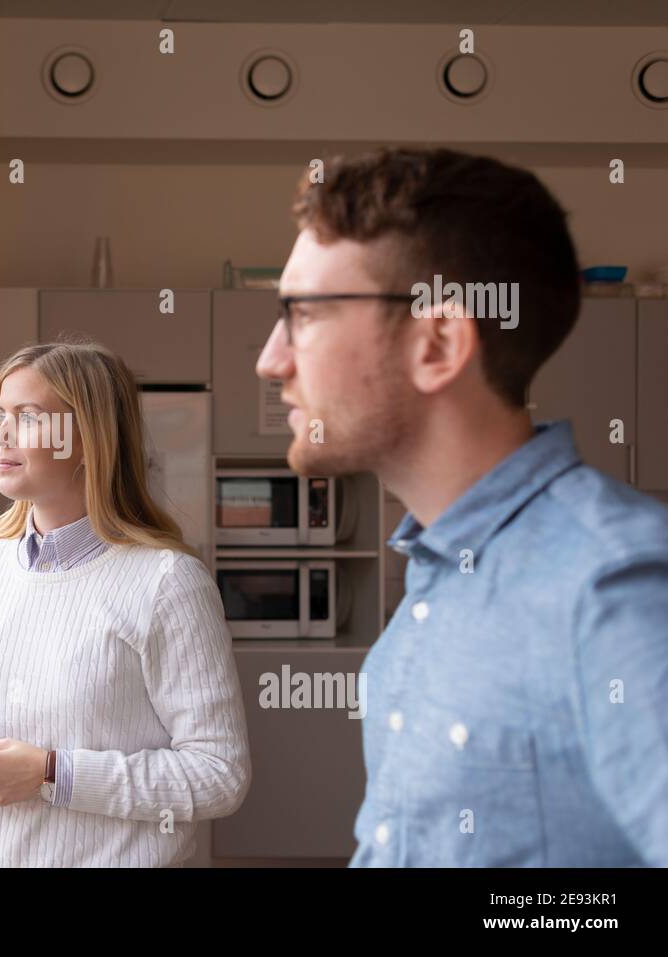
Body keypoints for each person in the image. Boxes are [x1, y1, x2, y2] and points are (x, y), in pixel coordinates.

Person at [255, 146, 668, 865]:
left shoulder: (614, 589)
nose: (271, 359)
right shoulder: (433, 581)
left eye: (306, 314)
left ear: (438, 343)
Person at [0, 341, 251, 867]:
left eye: (26, 418)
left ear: (88, 438)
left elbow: (219, 775)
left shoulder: (167, 582)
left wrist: (52, 773)